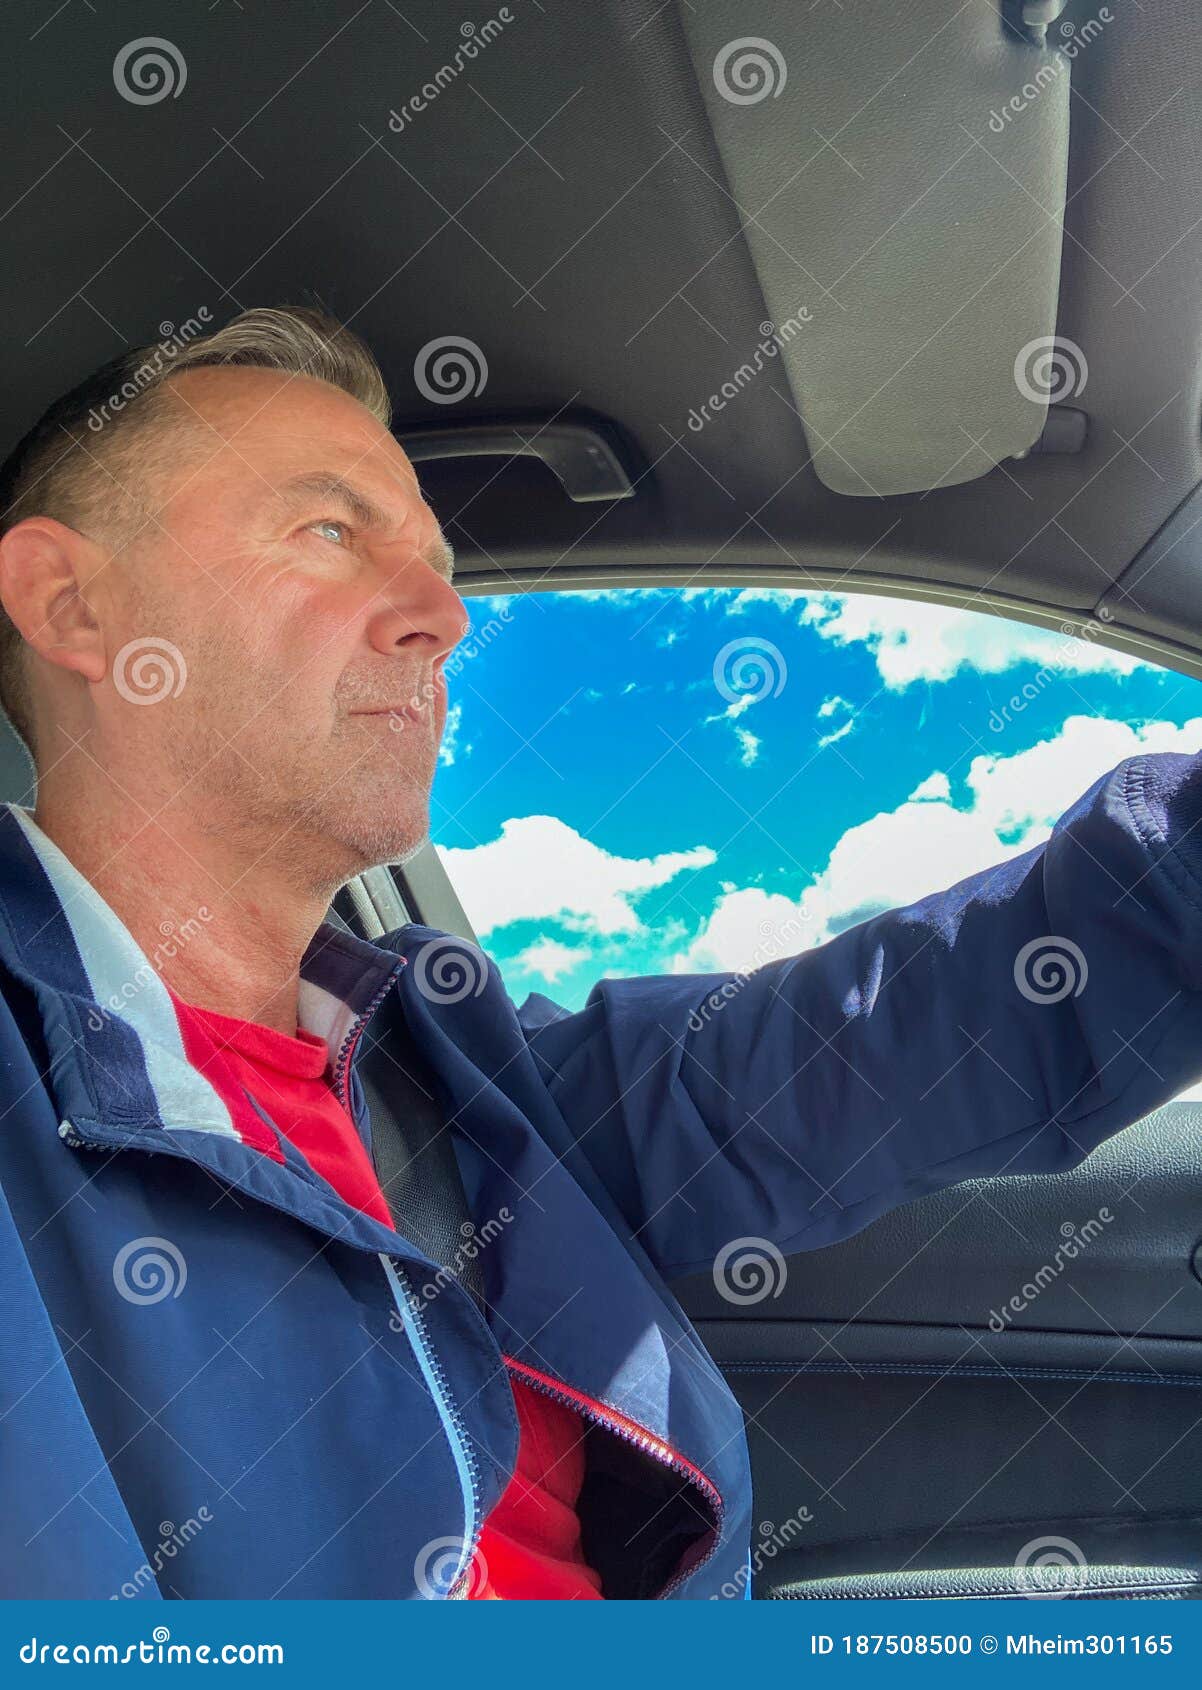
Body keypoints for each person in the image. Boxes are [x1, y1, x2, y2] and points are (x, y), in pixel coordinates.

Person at [0, 306, 1199, 1601]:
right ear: (75, 602)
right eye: (329, 530)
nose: (437, 613)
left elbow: (892, 1031)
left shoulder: (463, 1074)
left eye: (436, 559)